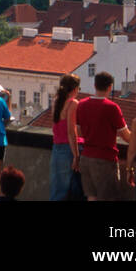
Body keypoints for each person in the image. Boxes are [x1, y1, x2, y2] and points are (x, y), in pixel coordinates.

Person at [72, 71, 131, 201]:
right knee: (107, 196)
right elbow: (126, 136)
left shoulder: (82, 104)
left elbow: (78, 131)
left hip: (86, 157)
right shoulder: (112, 108)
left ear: (95, 85)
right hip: (105, 158)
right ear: (110, 87)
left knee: (91, 196)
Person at [50, 73, 82, 201]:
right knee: (73, 190)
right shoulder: (72, 103)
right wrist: (76, 155)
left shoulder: (56, 101)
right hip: (68, 148)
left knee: (58, 188)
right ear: (74, 89)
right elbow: (71, 130)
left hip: (56, 147)